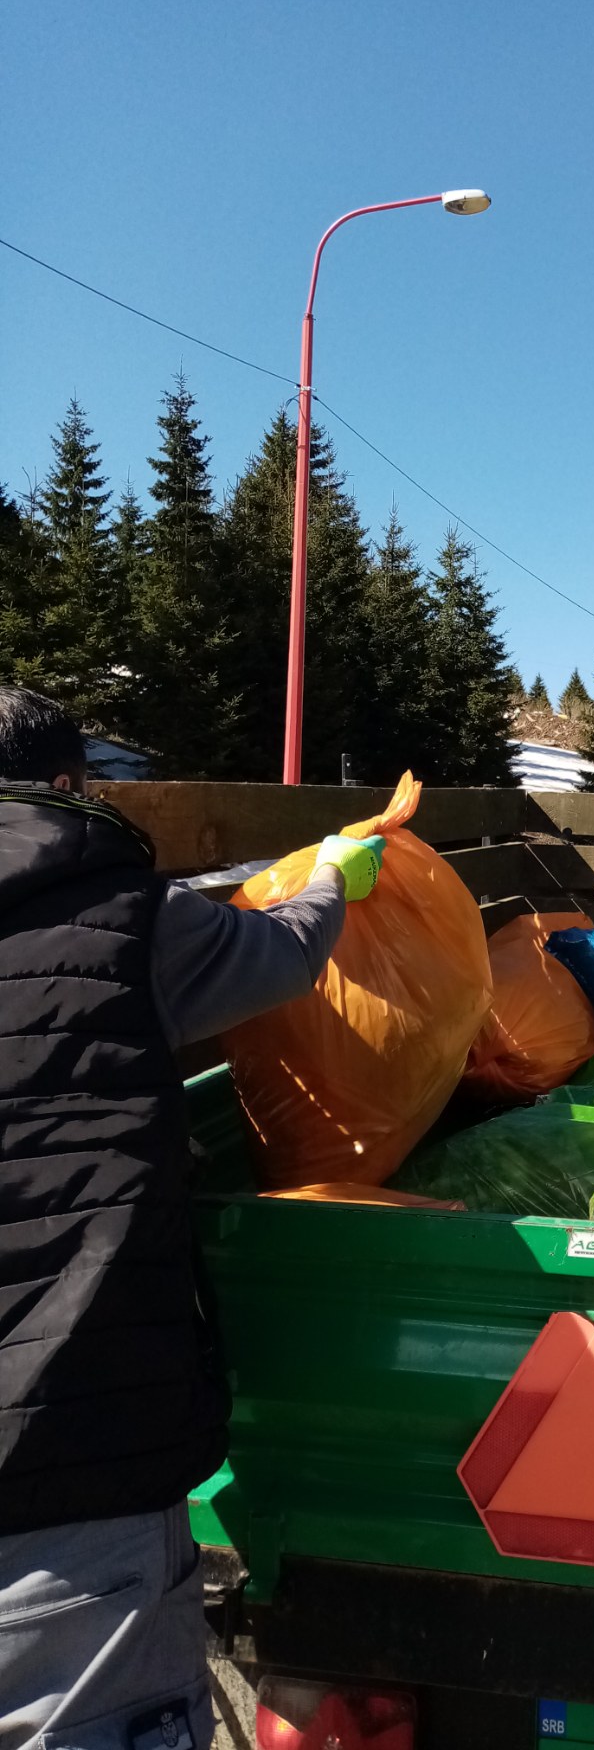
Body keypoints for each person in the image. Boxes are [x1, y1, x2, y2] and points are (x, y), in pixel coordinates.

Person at [0, 689, 385, 1749]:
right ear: (73, 788)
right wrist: (324, 885)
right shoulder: (126, 918)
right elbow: (283, 955)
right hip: (70, 1458)